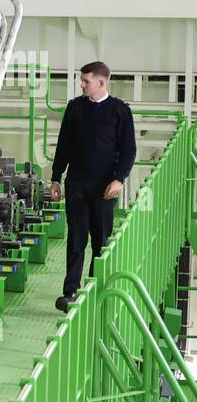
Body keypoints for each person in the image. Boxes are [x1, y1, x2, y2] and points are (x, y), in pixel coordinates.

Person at [49, 61, 136, 312]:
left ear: (101, 82)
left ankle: (93, 288)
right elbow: (63, 144)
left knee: (100, 240)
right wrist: (56, 177)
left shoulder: (120, 111)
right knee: (76, 238)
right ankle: (71, 291)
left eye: (86, 81)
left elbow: (129, 149)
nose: (82, 85)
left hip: (104, 187)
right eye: (82, 81)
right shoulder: (75, 108)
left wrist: (119, 179)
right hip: (76, 183)